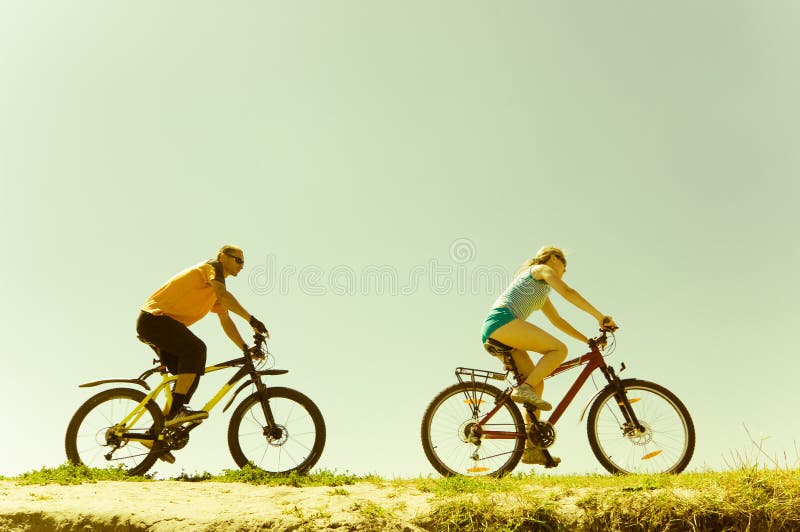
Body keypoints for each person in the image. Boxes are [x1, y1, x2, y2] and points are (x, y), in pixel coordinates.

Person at [481, 246, 617, 466]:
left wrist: (587, 340)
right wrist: (599, 316)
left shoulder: (540, 290)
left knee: (536, 385)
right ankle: (522, 390)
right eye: (564, 264)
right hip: (502, 322)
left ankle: (531, 449)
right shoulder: (541, 269)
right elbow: (569, 293)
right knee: (559, 350)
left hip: (499, 330)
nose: (565, 270)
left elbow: (558, 321)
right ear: (554, 259)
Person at [136, 245, 269, 427]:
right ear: (222, 256)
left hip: (160, 325)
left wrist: (245, 349)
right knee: (196, 349)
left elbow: (226, 320)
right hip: (154, 319)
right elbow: (223, 296)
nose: (242, 265)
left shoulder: (215, 288)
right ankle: (176, 413)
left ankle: (156, 433)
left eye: (243, 262)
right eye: (238, 260)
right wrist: (251, 320)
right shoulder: (212, 267)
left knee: (190, 374)